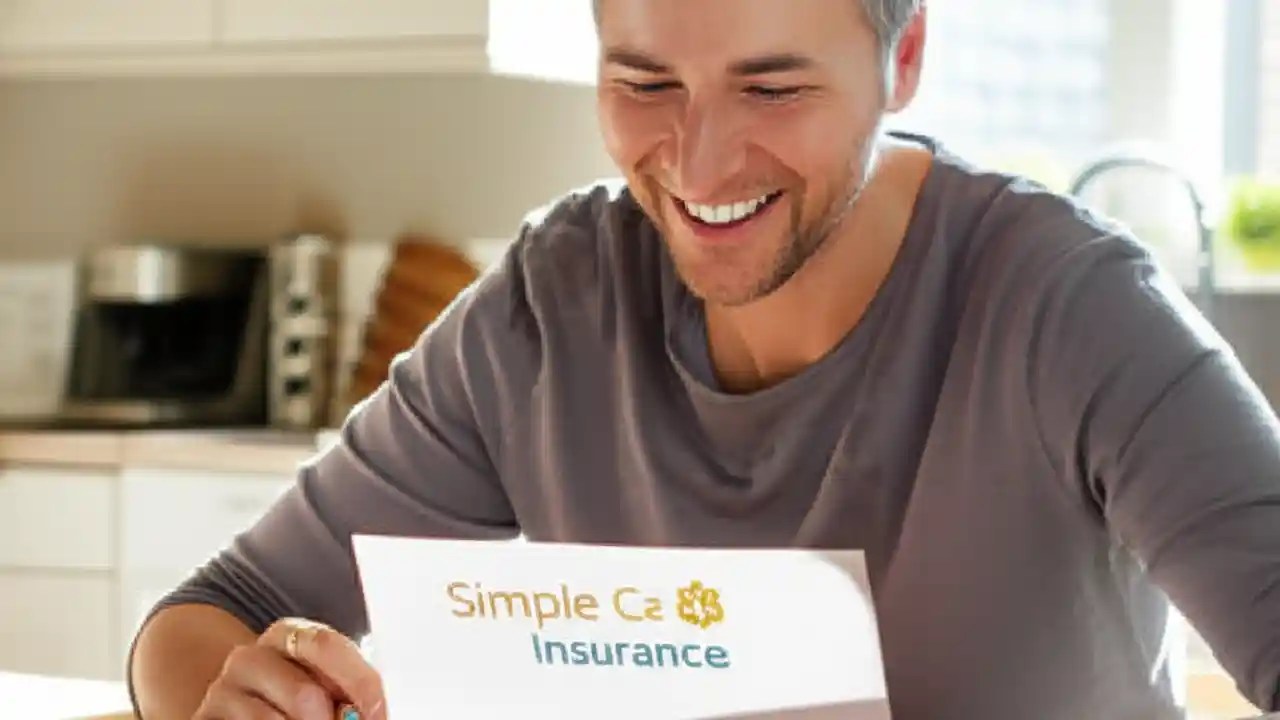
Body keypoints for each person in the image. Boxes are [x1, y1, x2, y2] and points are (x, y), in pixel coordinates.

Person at [129, 1, 1280, 718]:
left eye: (772, 86)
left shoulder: (1069, 310)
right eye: (642, 84)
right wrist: (231, 699)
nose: (698, 161)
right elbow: (213, 614)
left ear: (905, 55)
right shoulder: (553, 303)